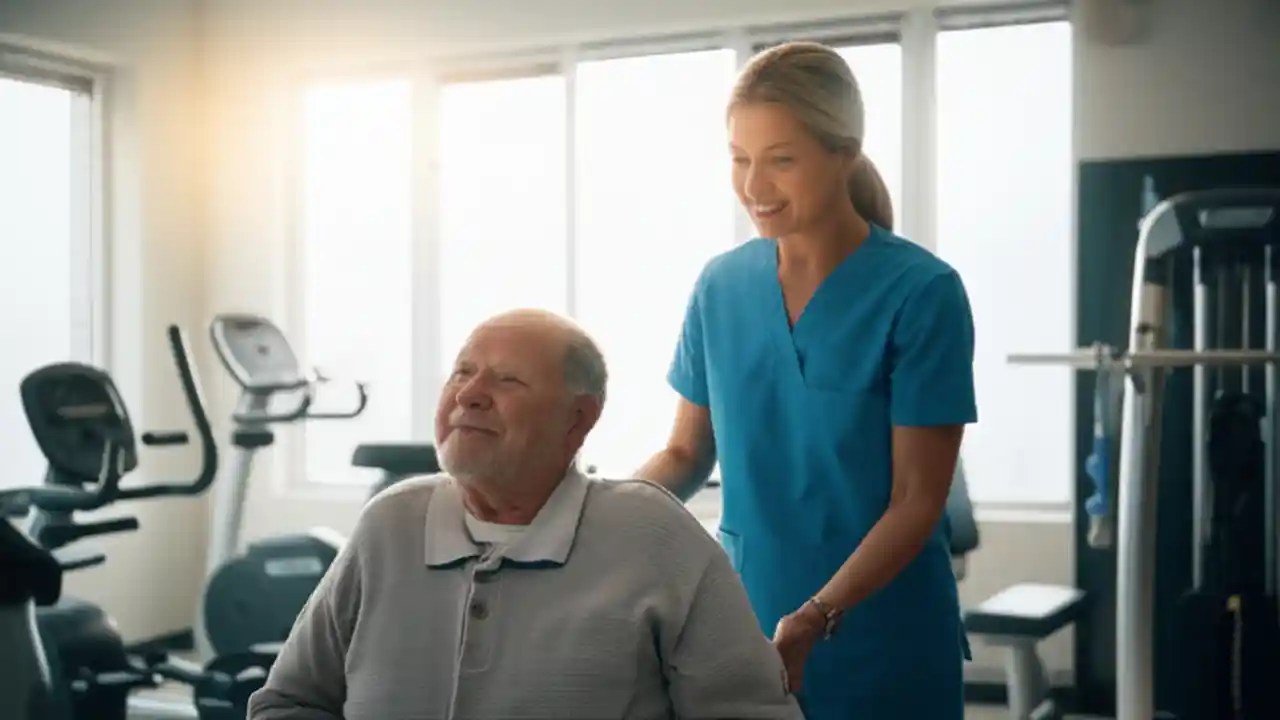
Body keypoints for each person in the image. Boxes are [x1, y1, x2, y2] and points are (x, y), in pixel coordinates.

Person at [635, 41, 977, 719]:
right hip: (748, 627)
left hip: (884, 637)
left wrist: (817, 616)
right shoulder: (720, 287)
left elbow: (916, 500)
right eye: (740, 159)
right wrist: (594, 516)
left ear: (844, 152)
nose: (754, 187)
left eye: (781, 160)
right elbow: (684, 453)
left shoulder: (922, 293)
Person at [247, 309, 804, 720]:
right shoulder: (389, 525)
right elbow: (288, 703)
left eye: (507, 380)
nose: (470, 394)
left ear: (578, 419)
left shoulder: (653, 535)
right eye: (462, 372)